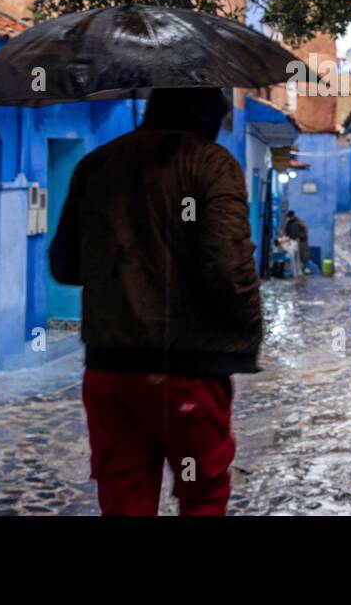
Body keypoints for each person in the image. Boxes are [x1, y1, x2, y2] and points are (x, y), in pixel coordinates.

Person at [49, 87, 261, 516]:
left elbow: (65, 266)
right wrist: (248, 332)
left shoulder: (96, 164)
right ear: (208, 115)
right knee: (200, 494)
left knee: (124, 500)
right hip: (187, 374)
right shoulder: (211, 164)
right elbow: (228, 267)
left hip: (110, 372)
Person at [284, 210, 310, 275]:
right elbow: (286, 231)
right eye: (289, 217)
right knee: (294, 256)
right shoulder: (289, 223)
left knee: (303, 254)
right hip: (292, 242)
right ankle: (296, 270)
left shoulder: (299, 221)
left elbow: (305, 230)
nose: (290, 218)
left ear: (293, 215)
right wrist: (287, 238)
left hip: (301, 241)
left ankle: (305, 268)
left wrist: (300, 237)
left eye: (291, 217)